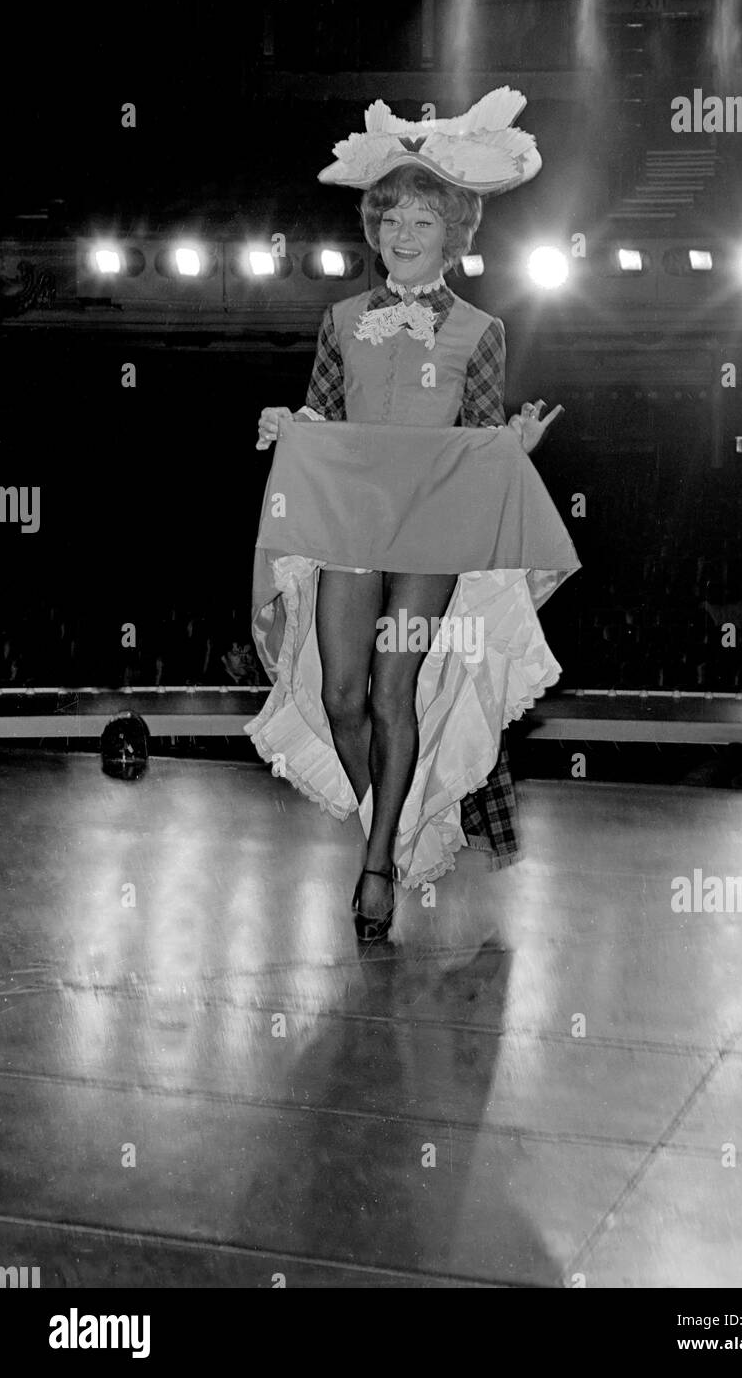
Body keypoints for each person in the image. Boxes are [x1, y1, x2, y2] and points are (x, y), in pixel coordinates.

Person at [247, 88, 581, 941]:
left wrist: (514, 447)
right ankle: (393, 829)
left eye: (422, 220)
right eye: (391, 216)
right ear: (374, 226)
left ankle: (375, 869)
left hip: (431, 533)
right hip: (349, 528)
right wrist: (287, 426)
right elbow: (322, 417)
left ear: (453, 233)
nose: (402, 233)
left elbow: (473, 442)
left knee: (394, 694)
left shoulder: (480, 329)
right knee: (340, 696)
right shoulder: (340, 320)